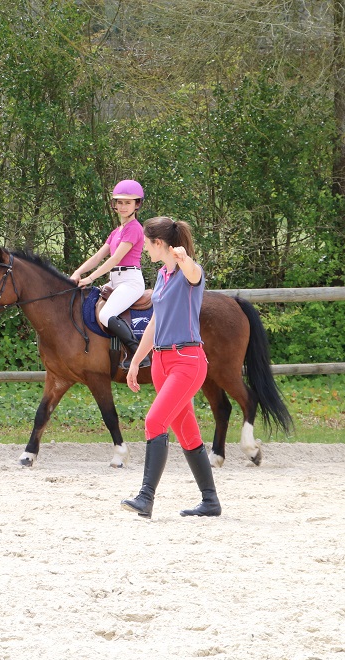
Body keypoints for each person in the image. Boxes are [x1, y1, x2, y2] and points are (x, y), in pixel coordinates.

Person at [121, 216, 220, 519]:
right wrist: (137, 360)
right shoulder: (162, 276)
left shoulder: (190, 273)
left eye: (147, 244)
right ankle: (210, 501)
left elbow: (193, 272)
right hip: (161, 364)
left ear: (158, 243)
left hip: (187, 362)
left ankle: (145, 497)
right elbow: (155, 321)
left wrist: (185, 259)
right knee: (187, 433)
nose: (145, 250)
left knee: (154, 421)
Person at [70, 179, 149, 370]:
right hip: (115, 281)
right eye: (119, 202)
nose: (123, 206)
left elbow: (114, 259)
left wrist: (89, 279)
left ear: (137, 204)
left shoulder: (135, 228)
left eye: (128, 202)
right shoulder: (116, 232)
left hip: (130, 282)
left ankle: (136, 352)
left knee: (106, 314)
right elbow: (98, 256)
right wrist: (77, 273)